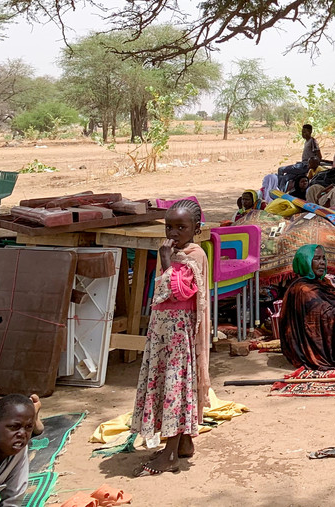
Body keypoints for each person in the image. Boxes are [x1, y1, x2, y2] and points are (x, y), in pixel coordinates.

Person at [132, 200, 211, 477]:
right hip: (162, 331)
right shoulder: (172, 251)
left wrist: (166, 262)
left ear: (196, 229)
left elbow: (179, 292)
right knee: (165, 381)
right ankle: (183, 443)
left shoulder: (194, 254)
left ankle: (169, 454)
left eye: (181, 227)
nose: (174, 233)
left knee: (175, 387)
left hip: (179, 334)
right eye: (169, 227)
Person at [0, 395, 33, 506]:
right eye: (14, 427)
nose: (22, 434)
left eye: (28, 427)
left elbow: (13, 500)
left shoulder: (19, 452)